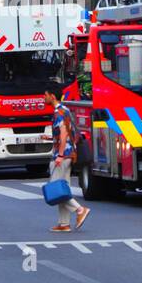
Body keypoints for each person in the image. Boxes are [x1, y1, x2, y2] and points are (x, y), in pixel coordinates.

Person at [45, 85, 88, 232]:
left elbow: (63, 134)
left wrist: (60, 155)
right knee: (63, 189)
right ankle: (64, 224)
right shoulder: (66, 109)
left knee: (56, 188)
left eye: (46, 95)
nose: (44, 98)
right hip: (69, 153)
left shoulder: (58, 112)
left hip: (62, 155)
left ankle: (80, 210)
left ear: (52, 96)